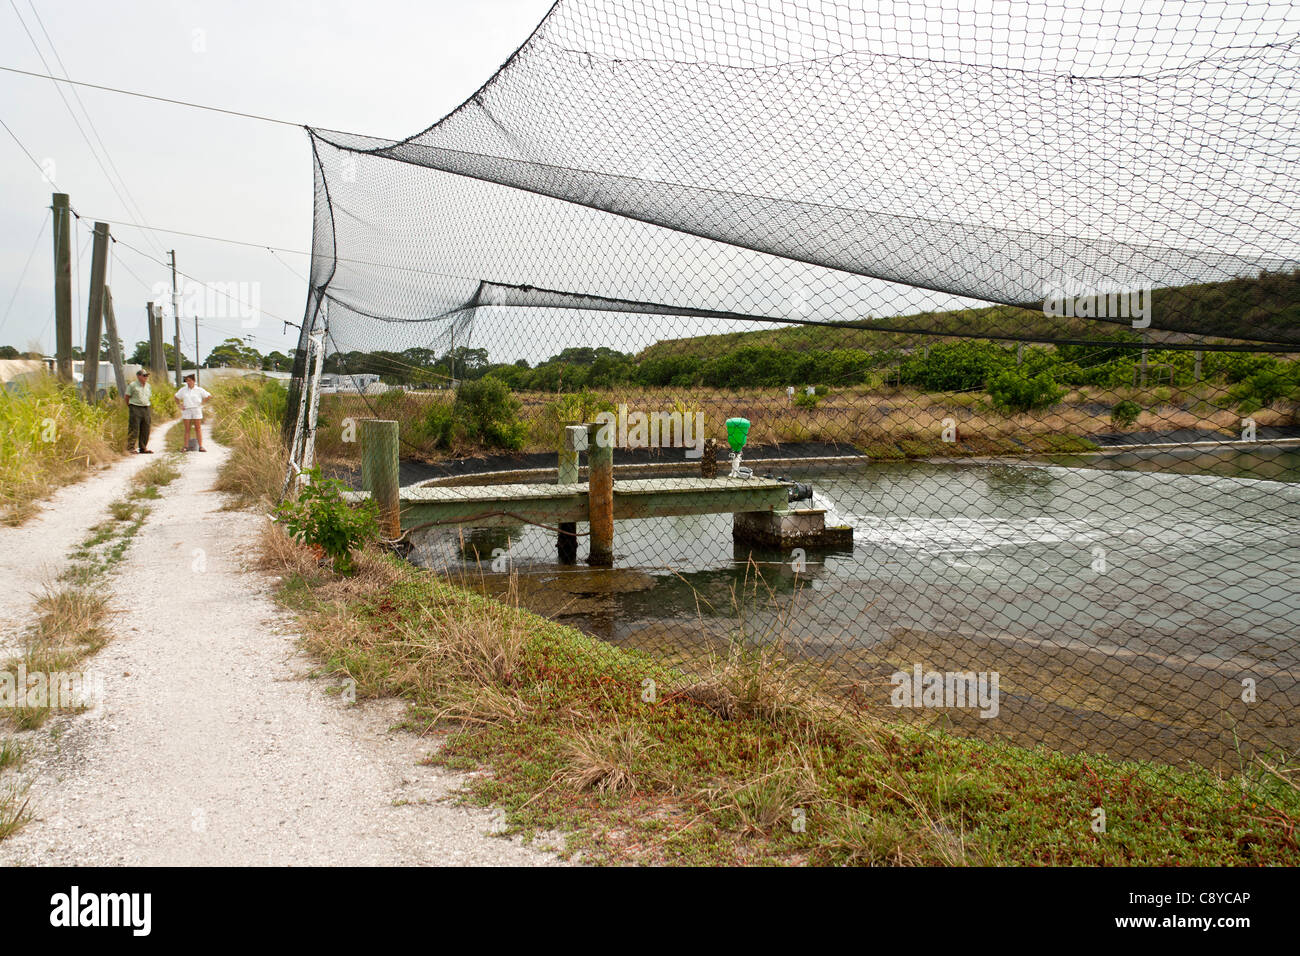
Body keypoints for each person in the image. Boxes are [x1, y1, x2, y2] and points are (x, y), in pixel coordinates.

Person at [174, 373, 212, 452]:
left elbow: (208, 396)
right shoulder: (183, 390)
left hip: (196, 409)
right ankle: (186, 446)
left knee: (198, 428)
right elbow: (176, 397)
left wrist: (202, 403)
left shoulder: (199, 389)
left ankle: (200, 446)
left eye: (190, 380)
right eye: (187, 381)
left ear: (194, 381)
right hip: (187, 409)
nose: (188, 382)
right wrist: (179, 405)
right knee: (187, 429)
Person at [124, 368, 154, 454]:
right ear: (138, 376)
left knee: (146, 428)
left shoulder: (148, 386)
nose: (146, 377)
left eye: (146, 375)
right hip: (135, 407)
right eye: (144, 375)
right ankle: (130, 448)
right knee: (134, 428)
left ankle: (143, 448)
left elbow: (148, 396)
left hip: (146, 407)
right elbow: (127, 397)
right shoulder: (133, 385)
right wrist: (130, 406)